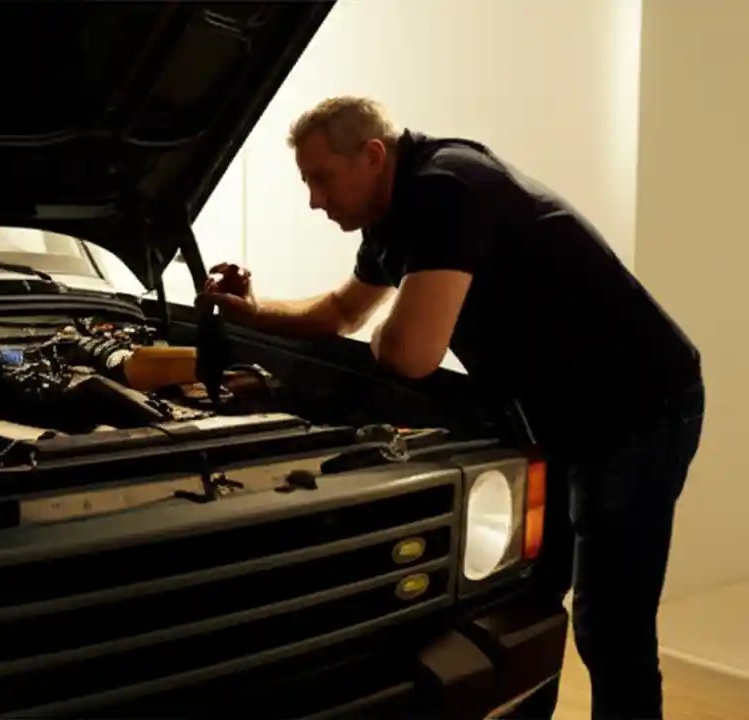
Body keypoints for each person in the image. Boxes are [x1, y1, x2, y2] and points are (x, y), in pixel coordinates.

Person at [200, 97, 704, 720]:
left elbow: (409, 352)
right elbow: (340, 312)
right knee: (525, 596)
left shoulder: (445, 187)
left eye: (320, 177)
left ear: (373, 155)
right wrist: (256, 311)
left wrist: (389, 335)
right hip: (561, 414)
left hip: (638, 408)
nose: (314, 200)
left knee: (610, 623)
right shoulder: (392, 220)